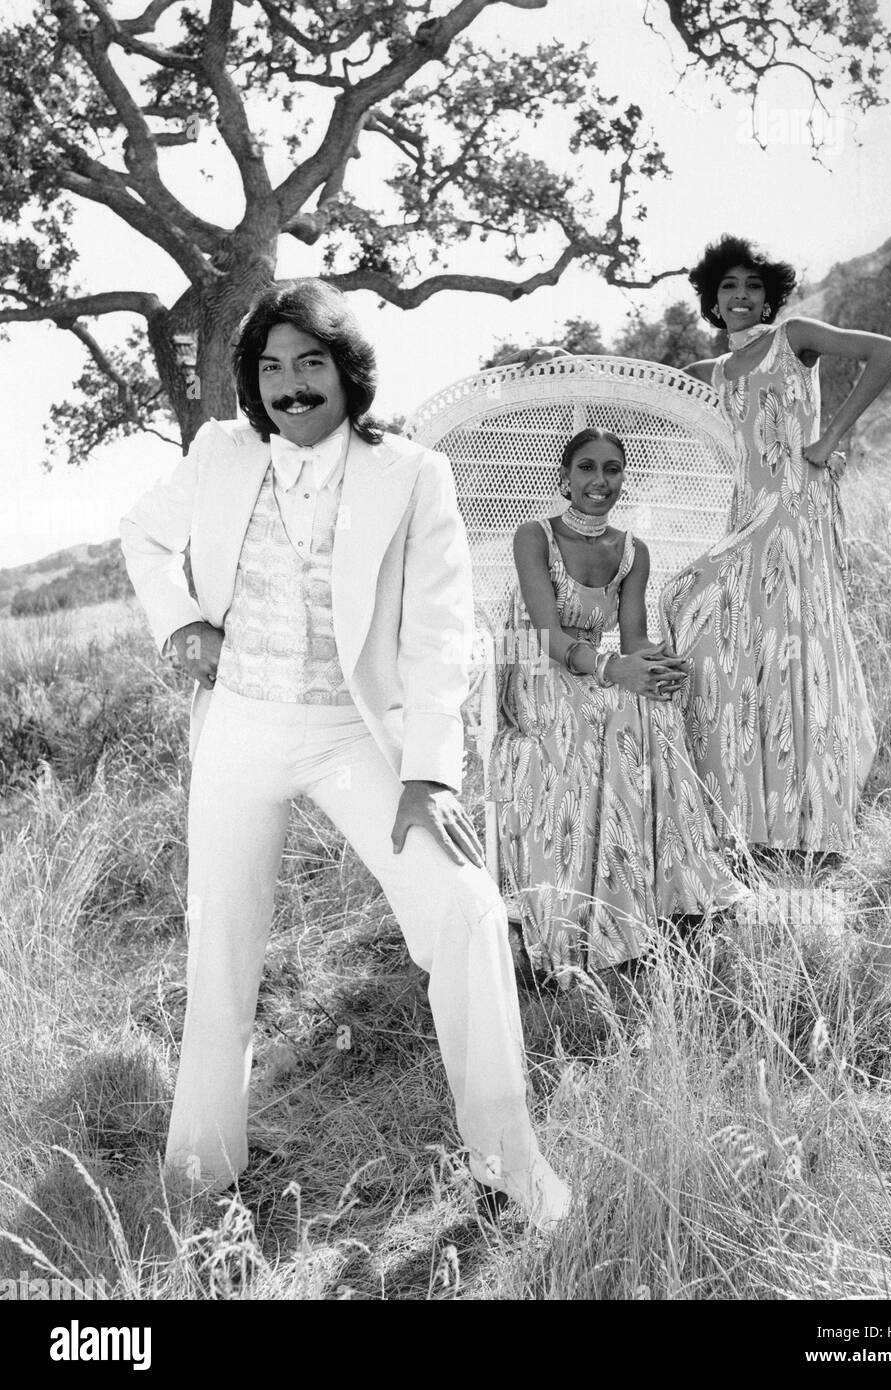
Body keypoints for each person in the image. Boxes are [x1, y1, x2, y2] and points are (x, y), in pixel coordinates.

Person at [119, 278, 570, 1227]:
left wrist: (429, 774)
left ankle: (509, 1164)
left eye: (310, 363)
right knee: (222, 943)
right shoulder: (221, 453)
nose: (289, 385)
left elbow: (441, 631)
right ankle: (201, 1170)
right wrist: (182, 625)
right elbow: (143, 537)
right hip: (240, 725)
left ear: (347, 372)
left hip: (354, 734)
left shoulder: (411, 473)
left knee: (466, 910)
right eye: (271, 367)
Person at [659, 235, 891, 855]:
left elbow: (889, 352)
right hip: (744, 519)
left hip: (796, 515)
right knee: (696, 622)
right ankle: (740, 811)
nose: (740, 297)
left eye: (751, 286)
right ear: (712, 301)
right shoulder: (706, 375)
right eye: (728, 288)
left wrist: (827, 442)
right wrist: (566, 359)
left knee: (796, 648)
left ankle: (808, 817)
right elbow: (635, 391)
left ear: (769, 297)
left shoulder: (793, 337)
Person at [489, 428, 750, 985]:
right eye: (586, 468)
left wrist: (661, 665)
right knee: (593, 716)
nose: (598, 482)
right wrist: (613, 670)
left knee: (653, 708)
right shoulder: (534, 536)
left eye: (611, 470)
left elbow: (633, 641)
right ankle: (577, 914)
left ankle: (650, 896)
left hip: (590, 667)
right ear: (565, 476)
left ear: (622, 479)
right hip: (535, 670)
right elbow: (544, 638)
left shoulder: (633, 551)